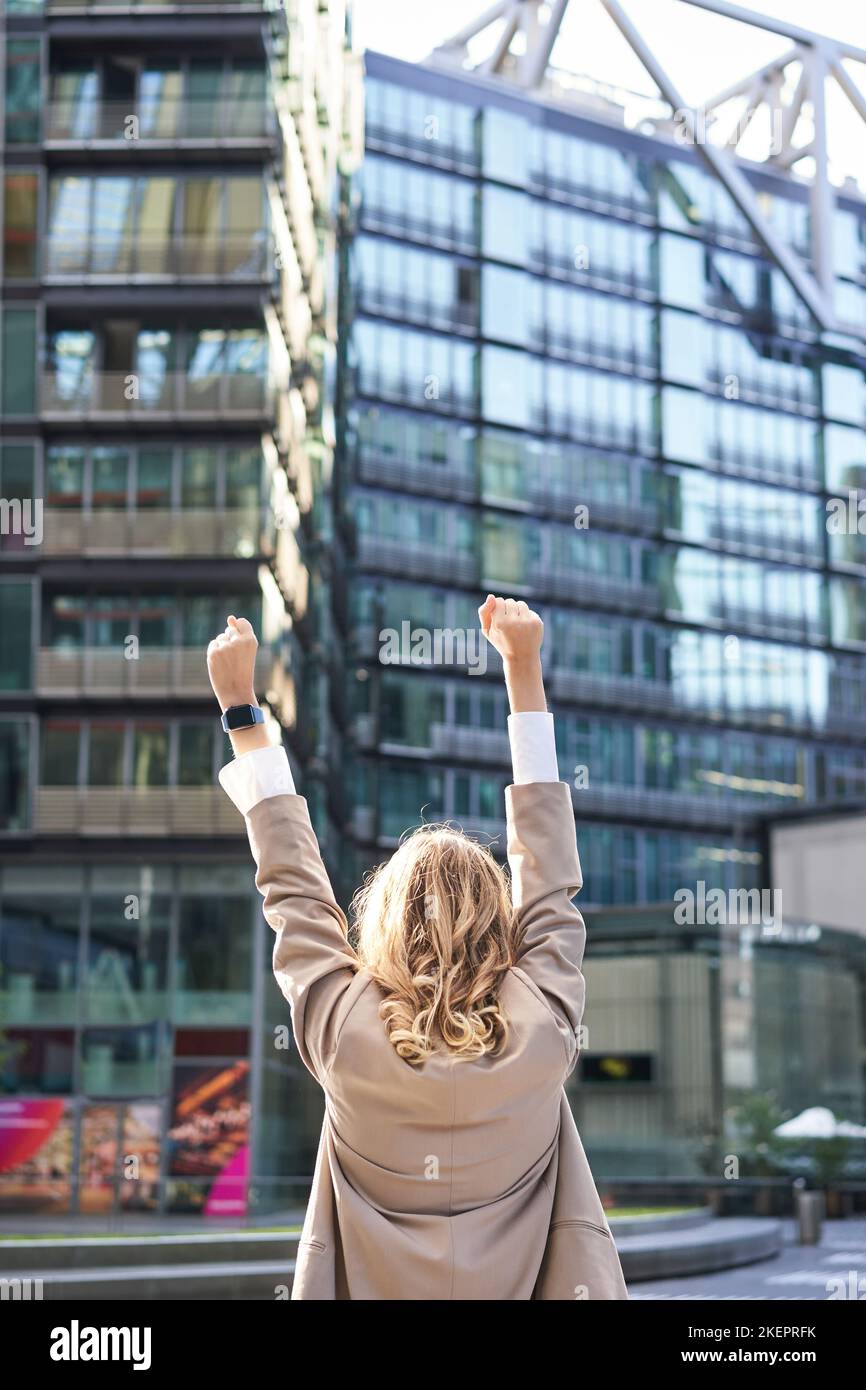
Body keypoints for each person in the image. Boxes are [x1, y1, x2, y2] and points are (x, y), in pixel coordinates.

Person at [207, 595, 628, 1301]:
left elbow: (295, 893)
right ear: (502, 923)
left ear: (385, 923)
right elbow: (552, 882)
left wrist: (243, 712)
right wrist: (523, 670)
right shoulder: (545, 1027)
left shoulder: (343, 1032)